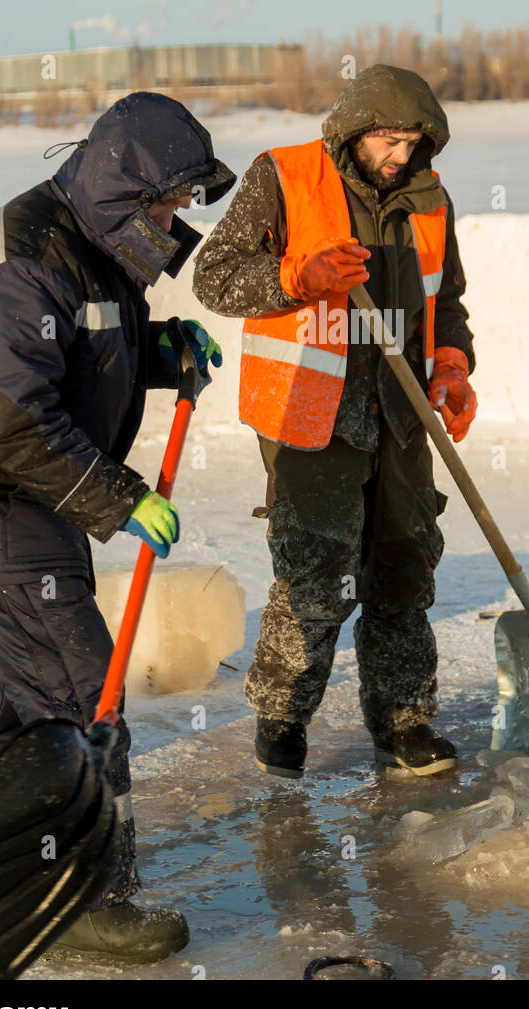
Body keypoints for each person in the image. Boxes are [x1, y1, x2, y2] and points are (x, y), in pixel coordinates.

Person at [0, 91, 234, 962]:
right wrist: (119, 496)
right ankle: (91, 897)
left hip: (15, 513)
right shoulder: (19, 264)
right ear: (123, 189)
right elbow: (13, 419)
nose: (172, 222)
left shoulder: (88, 245)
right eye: (165, 204)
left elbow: (83, 351)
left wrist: (166, 352)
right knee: (82, 699)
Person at [193, 64, 476, 779]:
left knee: (404, 571)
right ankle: (283, 719)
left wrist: (453, 363)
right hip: (311, 415)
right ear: (354, 131)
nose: (399, 155)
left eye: (412, 141)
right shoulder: (283, 177)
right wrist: (295, 279)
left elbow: (448, 300)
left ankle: (405, 725)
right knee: (316, 578)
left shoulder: (430, 198)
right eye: (387, 138)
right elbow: (214, 276)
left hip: (401, 415)